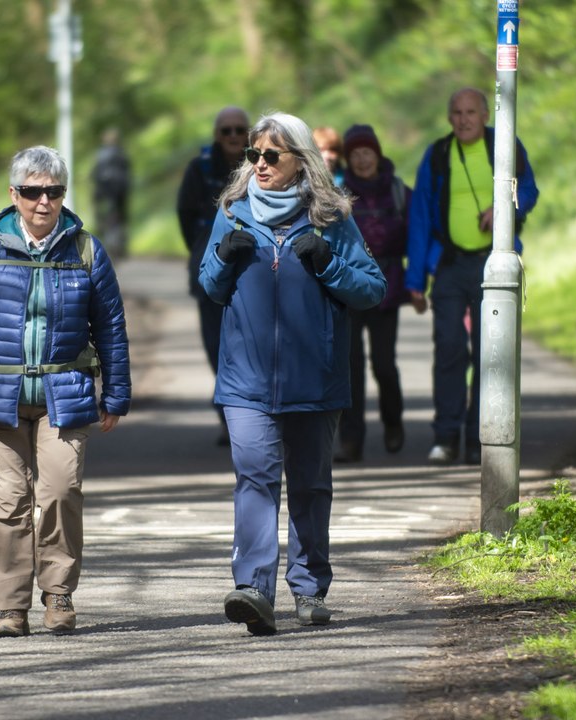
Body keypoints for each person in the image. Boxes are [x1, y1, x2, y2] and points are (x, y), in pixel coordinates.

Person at [0, 145, 131, 638]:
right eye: (33, 191)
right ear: (13, 194)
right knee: (7, 501)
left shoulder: (85, 251)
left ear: (64, 195)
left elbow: (110, 325)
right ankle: (9, 607)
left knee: (61, 490)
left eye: (54, 191)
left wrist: (117, 391)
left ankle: (58, 592)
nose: (44, 202)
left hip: (65, 391)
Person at [198, 112, 386, 635]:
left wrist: (328, 262)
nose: (259, 164)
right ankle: (254, 589)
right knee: (255, 477)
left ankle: (308, 590)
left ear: (299, 161)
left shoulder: (331, 216)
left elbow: (372, 289)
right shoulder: (234, 214)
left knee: (309, 485)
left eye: (270, 156)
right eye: (254, 155)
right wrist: (222, 256)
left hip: (316, 378)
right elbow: (210, 286)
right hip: (246, 381)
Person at [406, 87, 539, 465]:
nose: (464, 119)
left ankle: (481, 437)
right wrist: (415, 280)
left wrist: (504, 207)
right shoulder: (438, 155)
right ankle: (445, 437)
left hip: (492, 263)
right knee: (448, 348)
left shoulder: (506, 145)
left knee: (490, 353)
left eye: (471, 112)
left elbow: (528, 190)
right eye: (457, 112)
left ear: (485, 115)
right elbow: (419, 217)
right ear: (449, 118)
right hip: (448, 266)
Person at [333, 124, 411, 463]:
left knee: (383, 364)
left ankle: (393, 423)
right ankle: (352, 440)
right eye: (356, 154)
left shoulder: (397, 191)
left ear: (378, 155)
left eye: (368, 152)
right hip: (348, 288)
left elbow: (418, 235)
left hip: (387, 287)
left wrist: (418, 282)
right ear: (348, 159)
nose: (363, 160)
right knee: (350, 367)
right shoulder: (336, 193)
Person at [177, 105, 250, 445]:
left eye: (239, 130)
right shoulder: (199, 169)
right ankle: (227, 413)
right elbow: (185, 214)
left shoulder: (258, 164)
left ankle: (248, 415)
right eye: (227, 131)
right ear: (217, 135)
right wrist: (201, 248)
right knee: (215, 344)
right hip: (208, 266)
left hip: (251, 268)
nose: (234, 136)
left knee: (249, 343)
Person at [90, 127, 131, 258]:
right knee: (120, 217)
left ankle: (105, 238)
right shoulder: (122, 153)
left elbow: (95, 173)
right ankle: (120, 245)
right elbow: (127, 172)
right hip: (120, 191)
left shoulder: (101, 154)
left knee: (102, 215)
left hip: (104, 191)